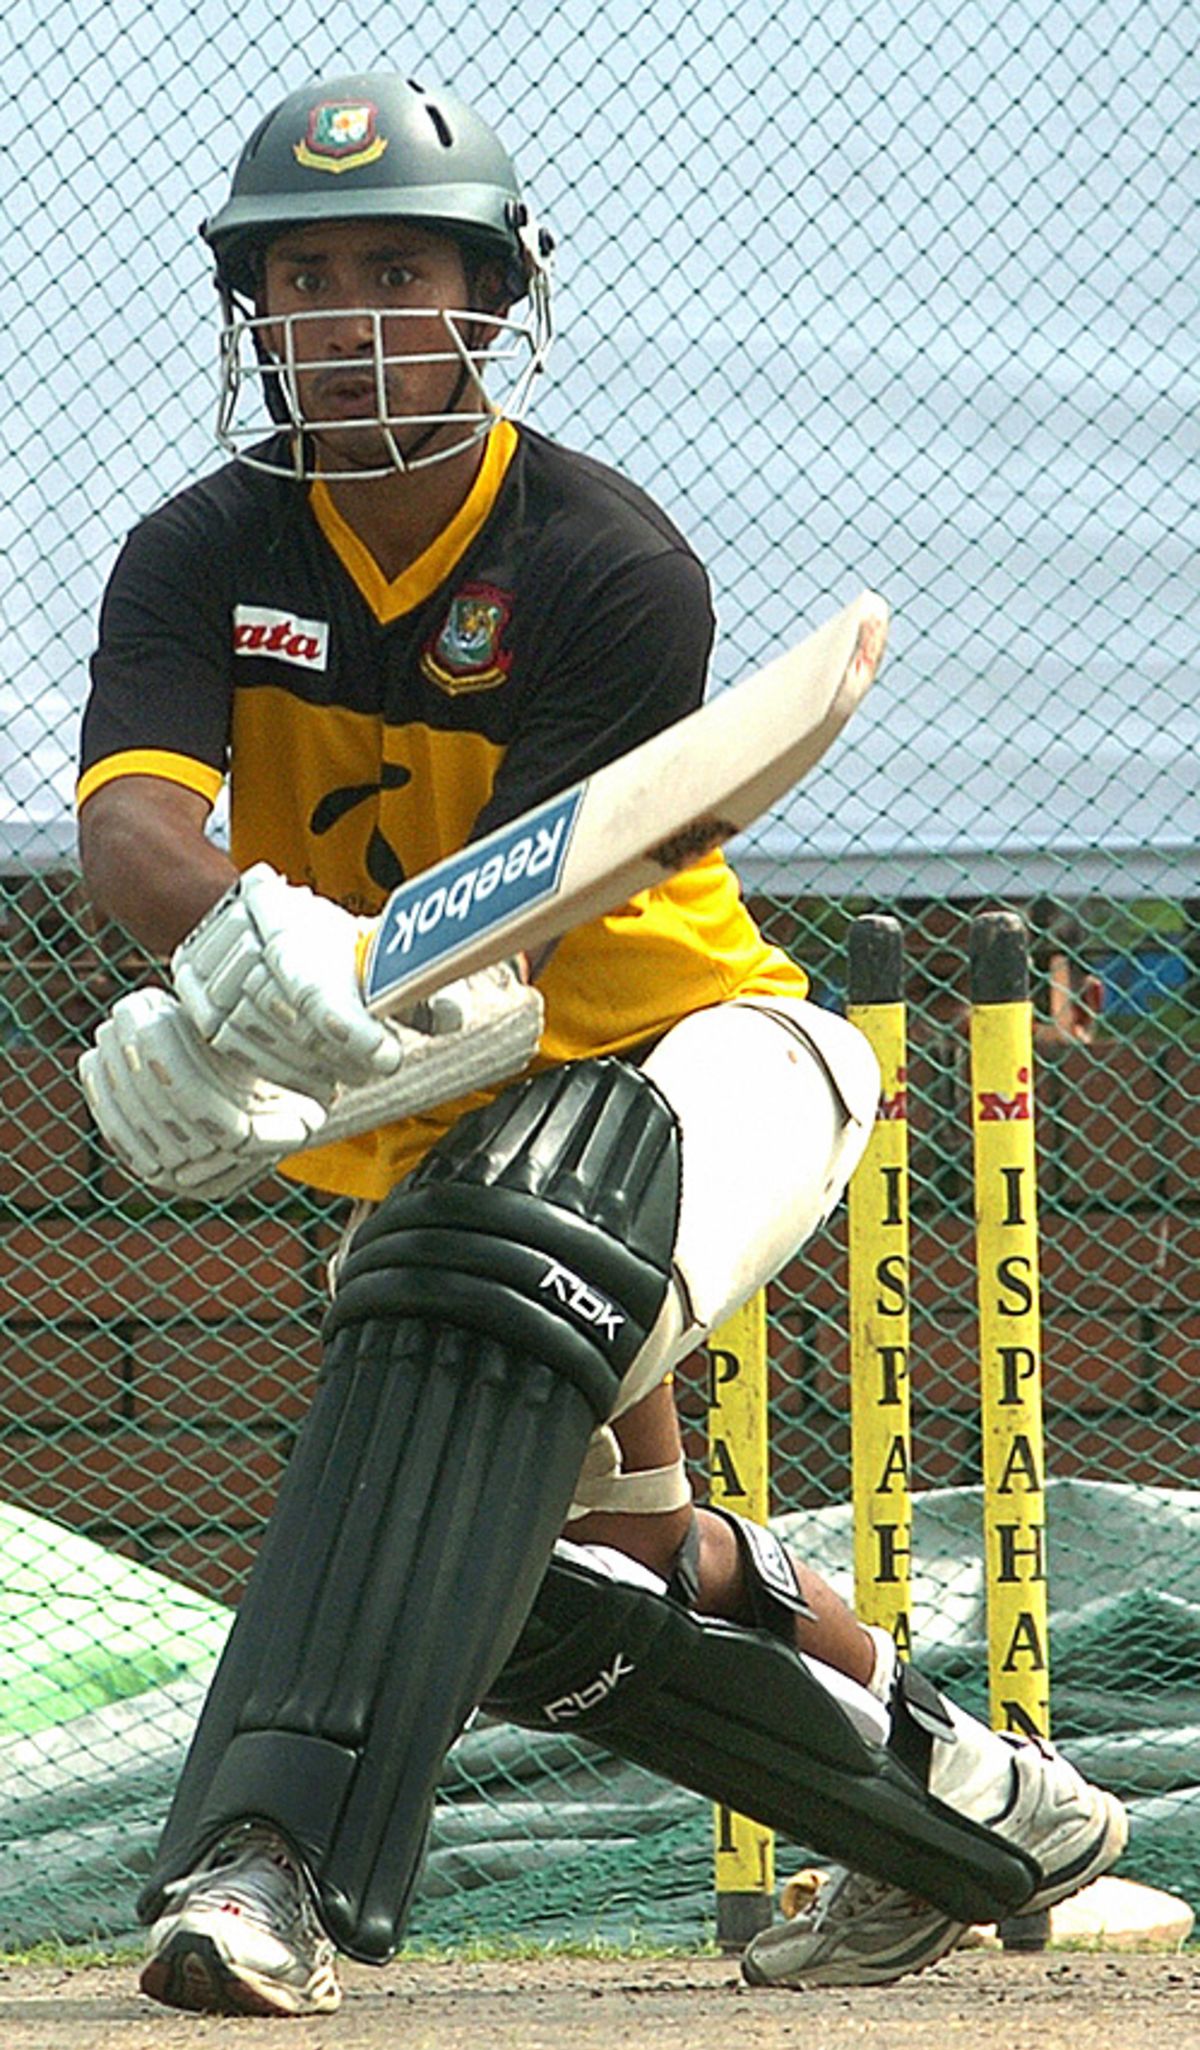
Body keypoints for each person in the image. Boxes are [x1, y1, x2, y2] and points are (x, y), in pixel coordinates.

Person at [75, 73, 1126, 2020]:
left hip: (706, 1072)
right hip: (440, 1144)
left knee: (477, 1284)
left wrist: (300, 1030)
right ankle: (977, 1813)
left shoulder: (603, 564)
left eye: (399, 267)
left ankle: (266, 1863)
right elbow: (135, 819)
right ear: (253, 314)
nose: (352, 316)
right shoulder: (194, 552)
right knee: (580, 1587)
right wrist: (221, 952)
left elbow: (518, 925)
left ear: (490, 302)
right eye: (305, 277)